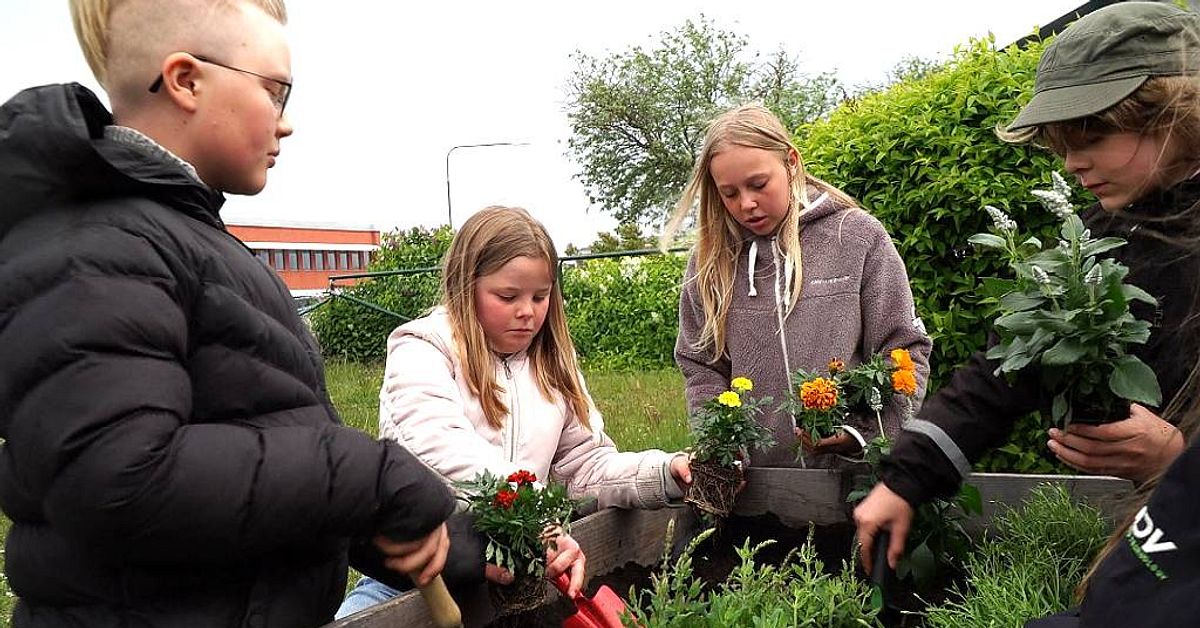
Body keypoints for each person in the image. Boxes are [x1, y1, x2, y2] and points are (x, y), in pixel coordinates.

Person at [0, 1, 457, 626]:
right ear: (186, 81)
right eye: (275, 90)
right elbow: (123, 476)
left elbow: (248, 480)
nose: (286, 122)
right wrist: (369, 479)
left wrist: (434, 539)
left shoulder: (184, 242)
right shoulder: (95, 250)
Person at [856, 2, 1200, 580]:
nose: (1072, 162)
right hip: (1164, 530)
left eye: (1091, 133)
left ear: (1171, 111)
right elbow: (1002, 369)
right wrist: (905, 479)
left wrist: (1178, 459)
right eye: (1060, 141)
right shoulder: (1101, 236)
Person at [336, 206, 692, 618]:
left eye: (541, 297)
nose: (528, 311)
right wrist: (535, 519)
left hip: (519, 572)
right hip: (424, 568)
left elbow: (584, 465)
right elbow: (438, 449)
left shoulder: (552, 361)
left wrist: (664, 472)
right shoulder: (423, 348)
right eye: (508, 297)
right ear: (465, 286)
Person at [663, 103, 932, 469]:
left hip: (853, 485)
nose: (747, 204)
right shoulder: (710, 263)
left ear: (790, 162)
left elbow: (905, 350)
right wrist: (722, 448)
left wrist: (860, 434)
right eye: (729, 193)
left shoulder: (855, 236)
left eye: (759, 184)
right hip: (754, 494)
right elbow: (700, 367)